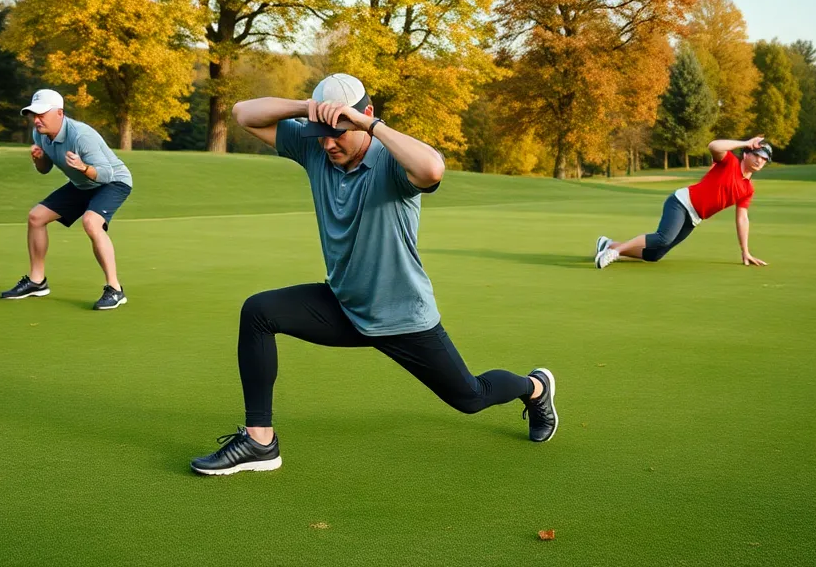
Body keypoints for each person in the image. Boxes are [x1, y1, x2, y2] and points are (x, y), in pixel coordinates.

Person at [190, 73, 558, 476]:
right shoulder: (316, 148)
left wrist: (369, 126)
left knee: (471, 397)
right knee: (259, 311)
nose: (328, 143)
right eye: (321, 134)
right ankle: (260, 442)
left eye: (339, 133)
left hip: (402, 317)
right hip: (344, 306)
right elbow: (244, 114)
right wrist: (306, 109)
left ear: (365, 116)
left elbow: (433, 169)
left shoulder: (391, 162)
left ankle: (535, 387)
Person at [0, 89, 134, 310]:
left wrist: (82, 167)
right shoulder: (39, 135)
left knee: (91, 222)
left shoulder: (81, 135)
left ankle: (115, 289)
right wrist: (39, 160)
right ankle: (37, 282)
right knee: (36, 217)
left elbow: (107, 174)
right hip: (83, 184)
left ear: (59, 113)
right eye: (34, 114)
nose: (37, 119)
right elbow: (45, 169)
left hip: (113, 182)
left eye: (42, 114)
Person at [594, 136, 772, 269]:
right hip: (681, 203)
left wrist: (745, 251)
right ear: (747, 154)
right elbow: (713, 146)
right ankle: (614, 252)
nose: (759, 160)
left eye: (764, 159)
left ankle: (608, 244)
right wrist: (745, 142)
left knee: (655, 254)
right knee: (664, 237)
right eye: (756, 155)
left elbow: (742, 219)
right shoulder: (729, 162)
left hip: (694, 218)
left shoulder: (748, 189)